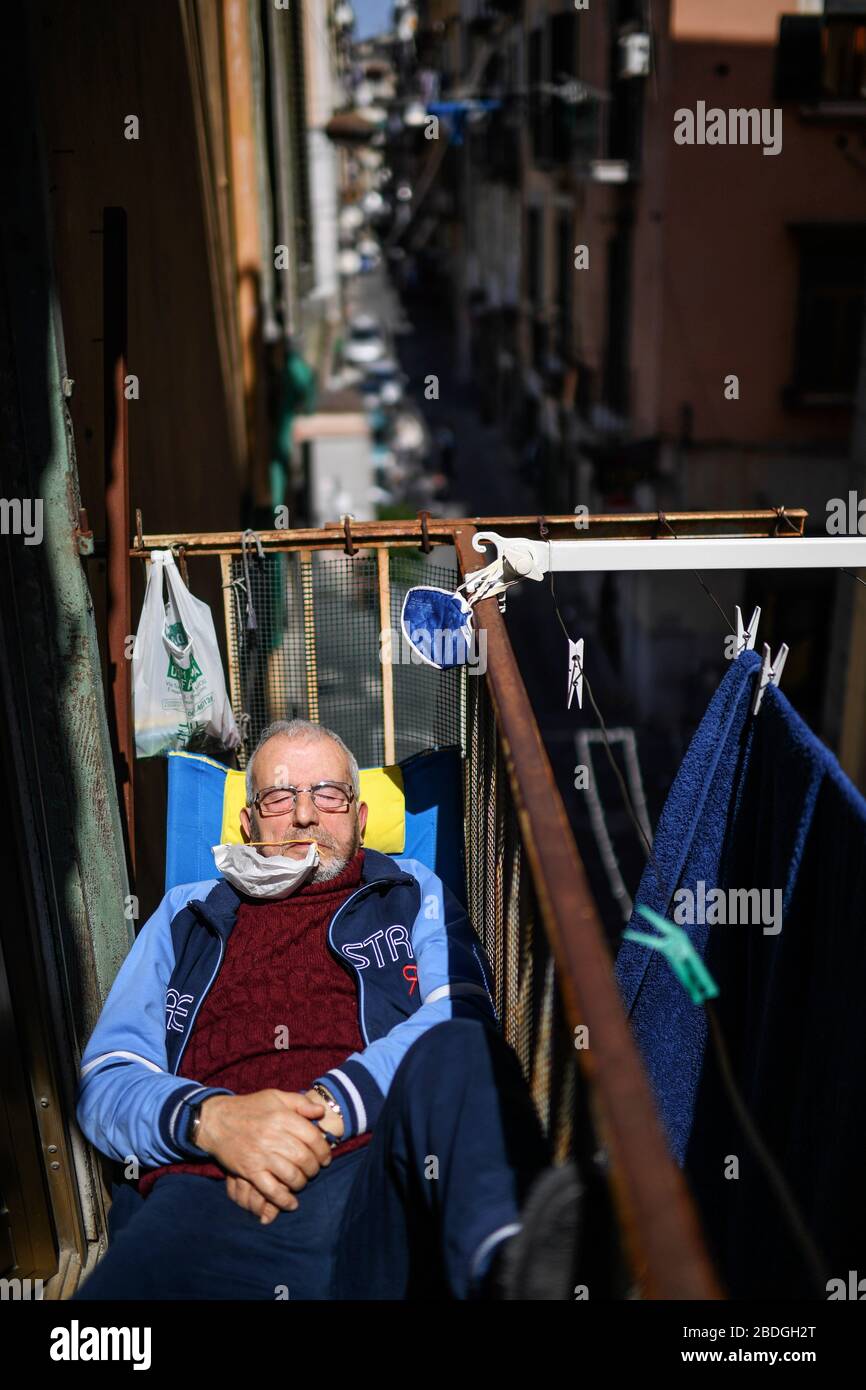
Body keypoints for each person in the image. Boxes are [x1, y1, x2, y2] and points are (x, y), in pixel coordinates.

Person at [73, 718, 580, 1300]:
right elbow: (107, 1079)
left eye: (328, 794)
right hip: (208, 1185)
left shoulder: (411, 890)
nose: (306, 816)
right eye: (280, 796)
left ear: (360, 819)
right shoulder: (184, 914)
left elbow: (458, 1013)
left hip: (372, 1177)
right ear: (248, 822)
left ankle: (507, 1273)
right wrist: (213, 1122)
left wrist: (324, 1108)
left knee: (462, 1049)